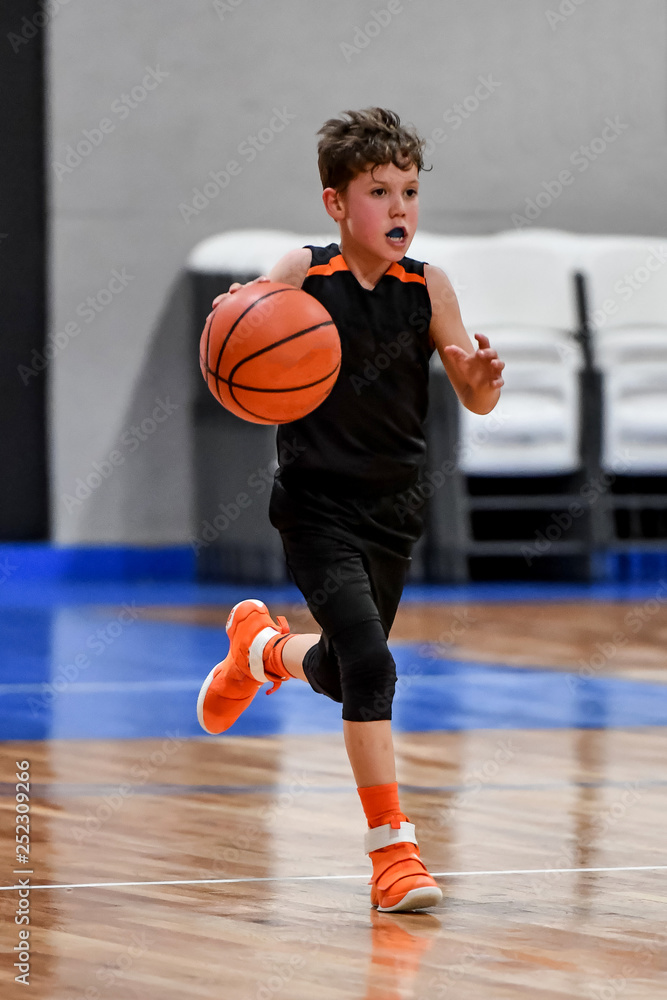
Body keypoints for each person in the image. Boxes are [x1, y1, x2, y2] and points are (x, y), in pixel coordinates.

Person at [197, 107, 504, 913]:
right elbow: (247, 320)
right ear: (337, 204)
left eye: (408, 191)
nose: (399, 208)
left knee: (341, 668)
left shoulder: (426, 286)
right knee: (372, 668)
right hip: (315, 506)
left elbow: (470, 396)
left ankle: (259, 651)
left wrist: (480, 382)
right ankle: (392, 852)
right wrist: (239, 311)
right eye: (378, 192)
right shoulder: (304, 270)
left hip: (396, 509)